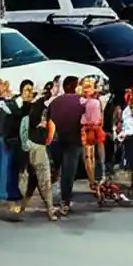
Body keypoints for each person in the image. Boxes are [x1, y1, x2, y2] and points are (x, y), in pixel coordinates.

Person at [16, 80, 57, 220]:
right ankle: (50, 210)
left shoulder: (33, 106)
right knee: (44, 179)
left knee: (34, 180)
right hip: (37, 146)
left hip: (34, 146)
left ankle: (21, 207)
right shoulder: (37, 107)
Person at [47, 74, 85, 216]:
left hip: (56, 140)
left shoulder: (55, 102)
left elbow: (47, 120)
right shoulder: (81, 102)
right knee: (68, 172)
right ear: (74, 86)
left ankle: (48, 199)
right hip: (73, 141)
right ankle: (65, 202)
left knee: (55, 170)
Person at [0, 79, 21, 209]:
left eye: (1, 87)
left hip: (7, 140)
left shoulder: (10, 104)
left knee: (7, 167)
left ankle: (6, 192)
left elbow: (16, 116)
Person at [80, 77, 106, 206]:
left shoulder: (94, 101)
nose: (87, 89)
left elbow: (101, 117)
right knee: (88, 156)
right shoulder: (83, 101)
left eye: (89, 86)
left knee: (93, 156)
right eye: (85, 86)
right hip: (87, 128)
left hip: (94, 129)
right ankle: (93, 182)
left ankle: (96, 180)